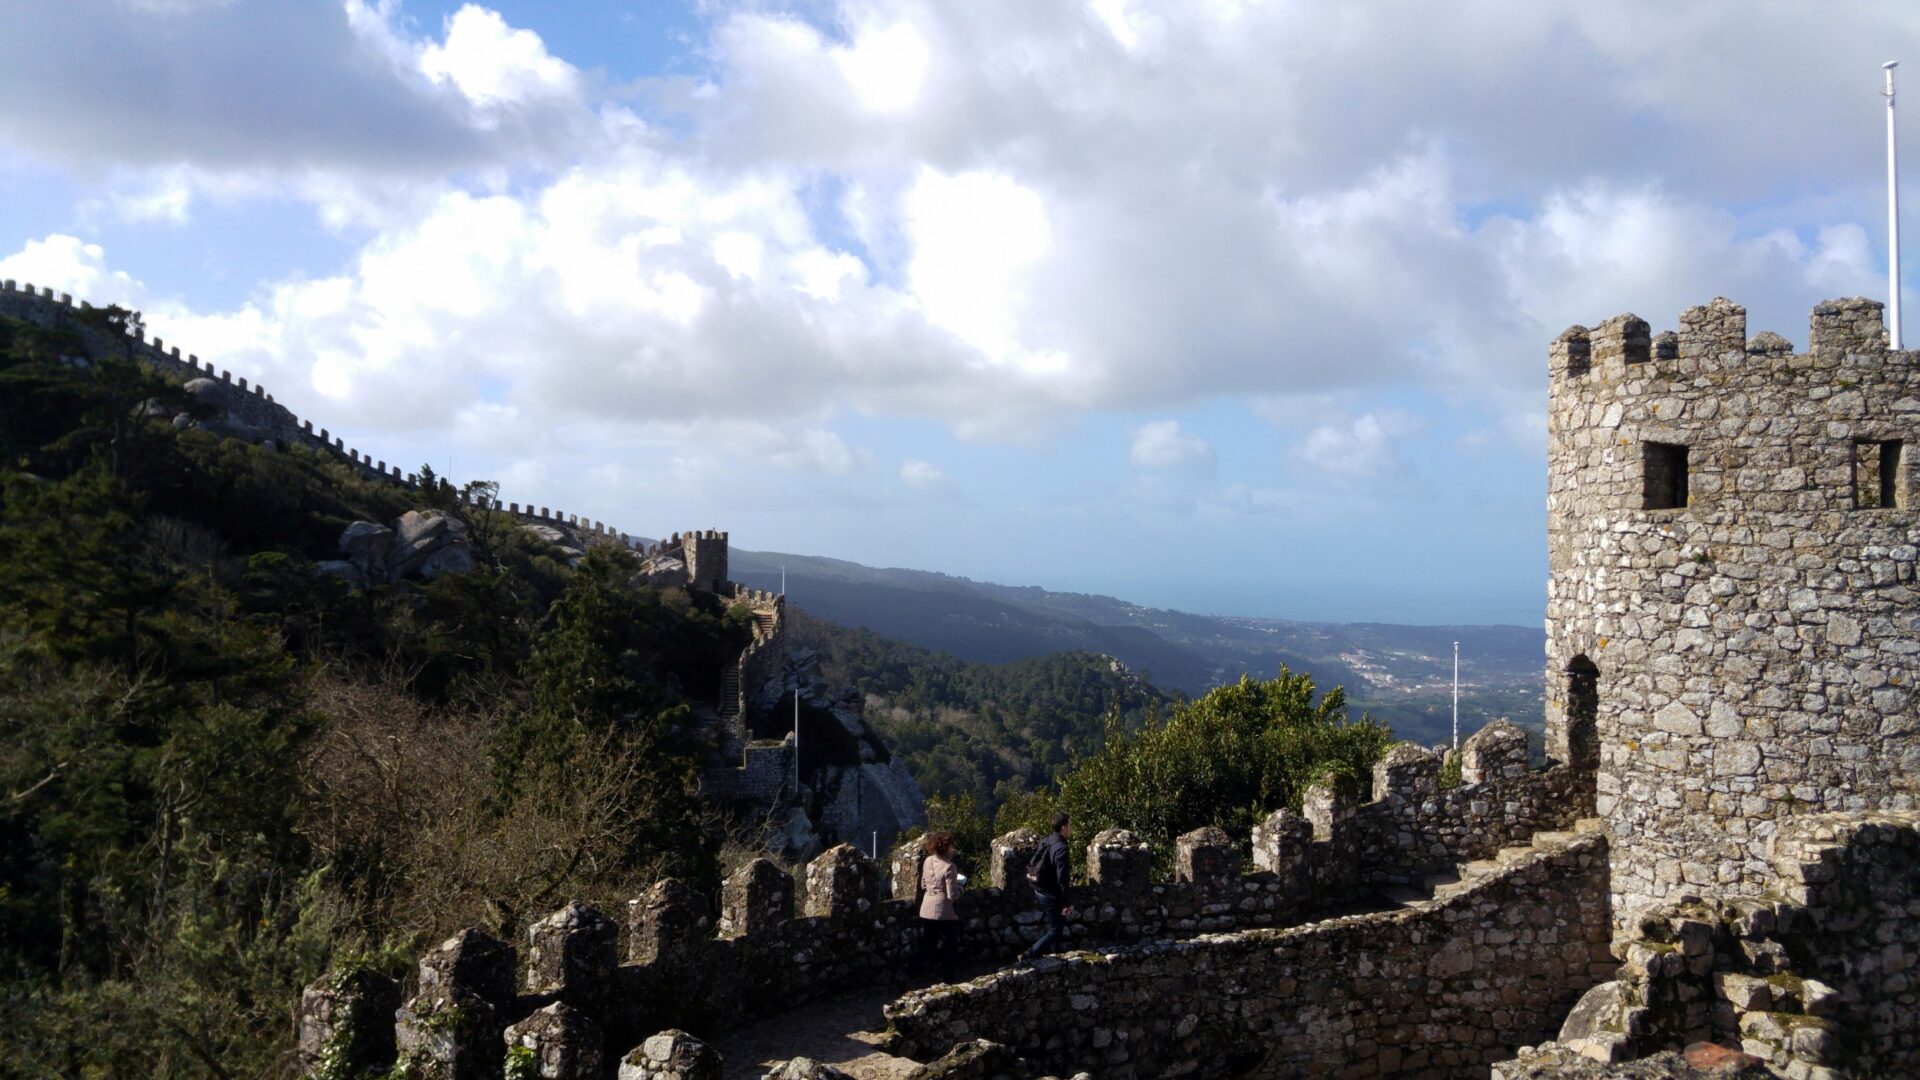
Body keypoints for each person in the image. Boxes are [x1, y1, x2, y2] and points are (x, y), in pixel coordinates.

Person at [1020, 812, 1075, 961]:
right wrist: (1066, 903)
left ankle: (1056, 955)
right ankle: (1029, 954)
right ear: (1063, 828)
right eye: (1070, 825)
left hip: (1039, 890)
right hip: (1050, 895)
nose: (1071, 829)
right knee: (1056, 930)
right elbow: (1062, 879)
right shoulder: (1062, 848)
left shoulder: (1046, 840)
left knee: (1058, 924)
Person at [910, 830, 962, 983]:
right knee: (950, 946)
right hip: (943, 912)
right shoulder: (950, 867)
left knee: (928, 946)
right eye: (952, 846)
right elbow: (952, 895)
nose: (953, 849)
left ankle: (908, 972)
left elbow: (923, 884)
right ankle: (949, 979)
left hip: (926, 909)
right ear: (947, 848)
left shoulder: (927, 861)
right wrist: (961, 889)